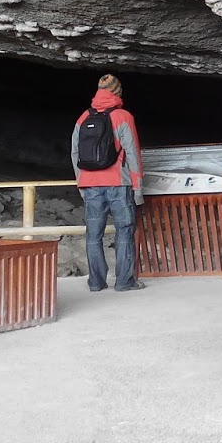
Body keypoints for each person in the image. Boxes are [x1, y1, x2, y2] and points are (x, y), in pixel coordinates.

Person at [70, 74, 145, 292]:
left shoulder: (83, 117)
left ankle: (96, 282)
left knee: (94, 234)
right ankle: (124, 281)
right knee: (124, 229)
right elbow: (132, 153)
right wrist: (138, 187)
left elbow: (75, 153)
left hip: (91, 184)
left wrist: (81, 182)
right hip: (118, 184)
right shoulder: (123, 117)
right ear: (118, 92)